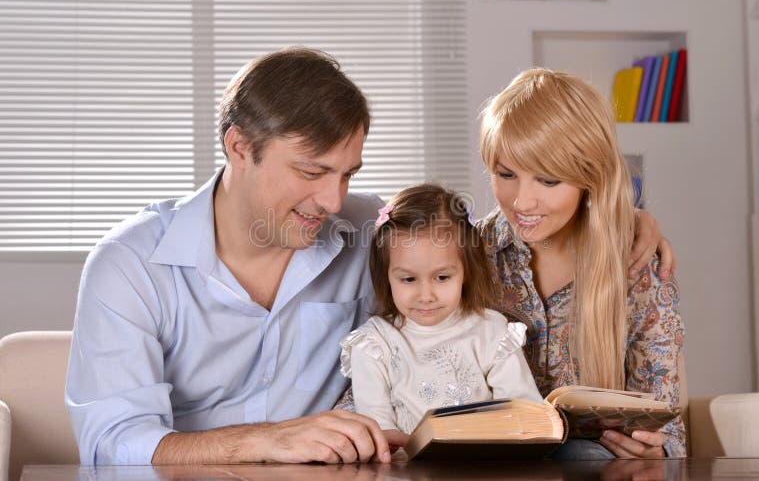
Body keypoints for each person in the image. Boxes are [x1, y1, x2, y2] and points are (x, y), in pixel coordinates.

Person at [65, 47, 671, 466]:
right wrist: (266, 440)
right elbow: (112, 443)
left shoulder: (367, 231)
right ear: (238, 147)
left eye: (348, 174)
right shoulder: (130, 265)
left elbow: (470, 232)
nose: (333, 200)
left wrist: (622, 220)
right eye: (312, 171)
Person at [478, 68, 686, 459]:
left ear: (589, 177)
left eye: (548, 181)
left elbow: (668, 430)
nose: (522, 202)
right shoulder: (464, 255)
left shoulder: (640, 268)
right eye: (506, 174)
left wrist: (655, 453)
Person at [339, 184, 543, 435]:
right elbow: (378, 427)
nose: (426, 296)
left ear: (466, 272)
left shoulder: (491, 331)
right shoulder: (374, 343)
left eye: (442, 277)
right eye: (408, 280)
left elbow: (524, 410)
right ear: (386, 276)